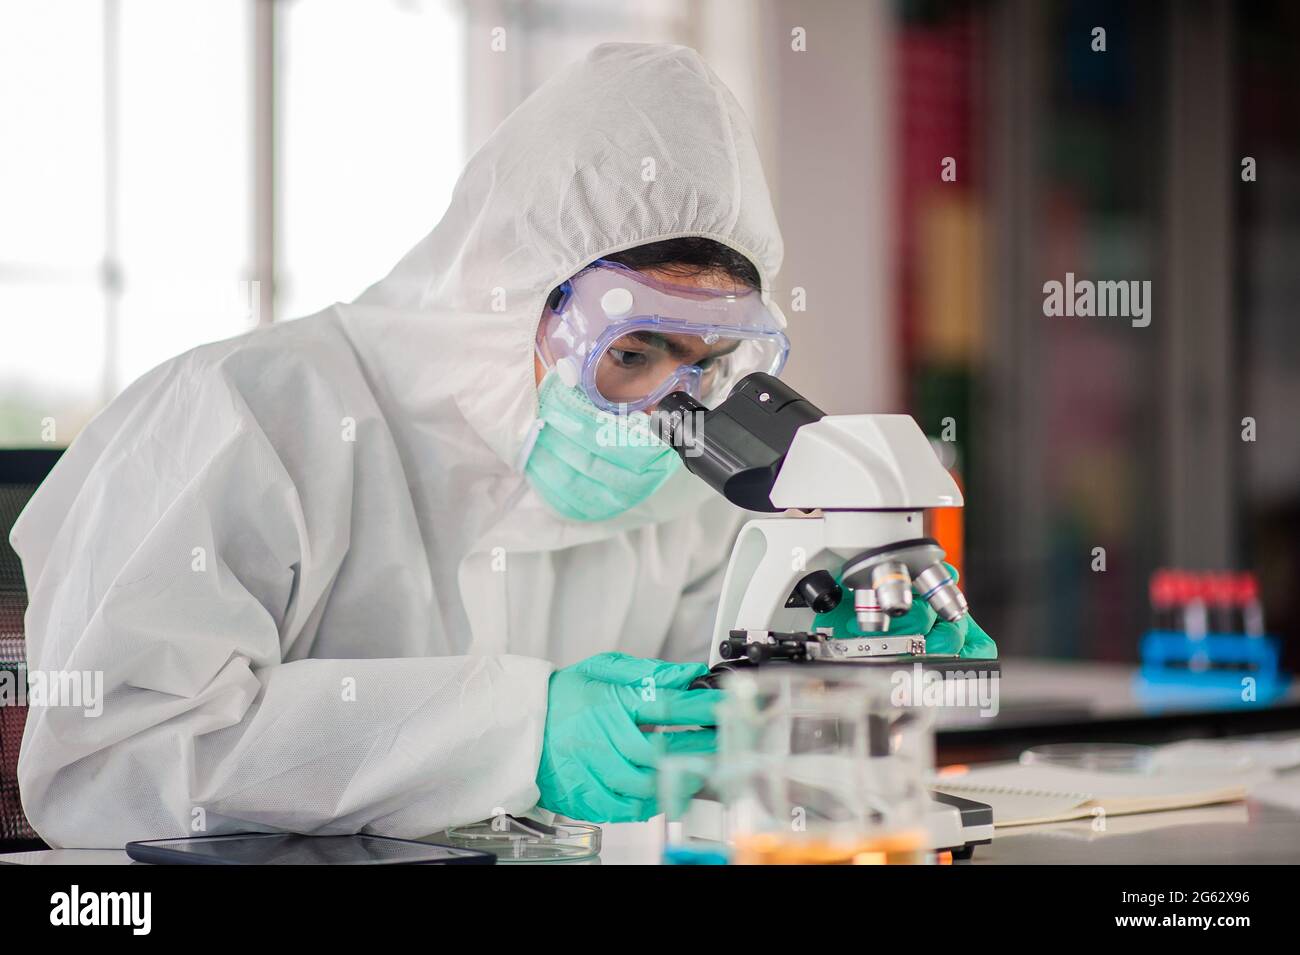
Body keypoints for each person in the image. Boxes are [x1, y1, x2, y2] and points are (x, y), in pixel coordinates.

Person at [12, 43, 991, 848]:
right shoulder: (245, 418)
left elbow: (712, 750)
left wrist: (830, 681)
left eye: (704, 361)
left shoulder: (681, 497)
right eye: (634, 350)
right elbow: (109, 772)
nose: (667, 403)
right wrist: (520, 731)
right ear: (507, 302)